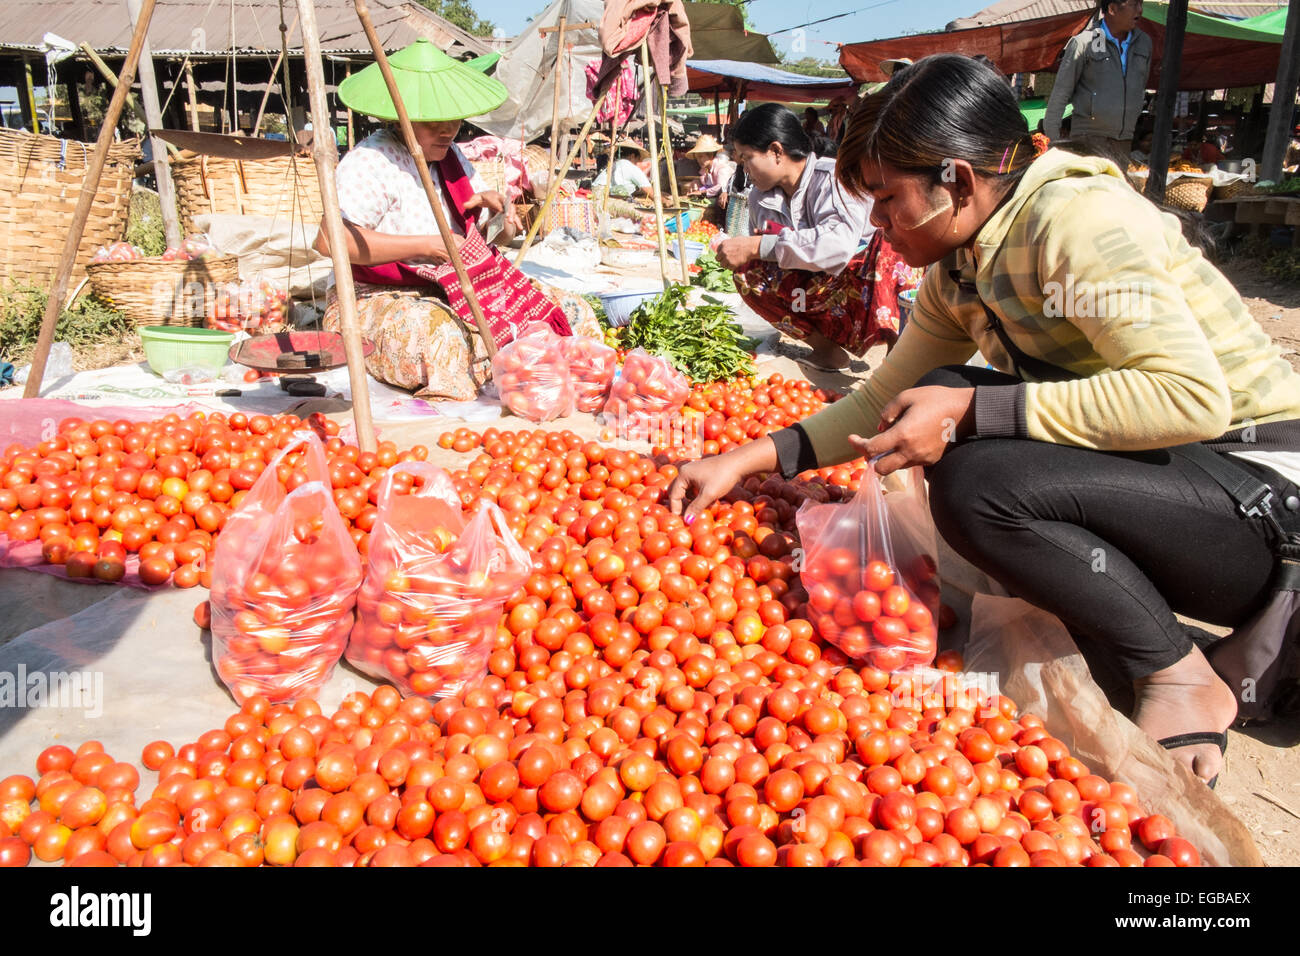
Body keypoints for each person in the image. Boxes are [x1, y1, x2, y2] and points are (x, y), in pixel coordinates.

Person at [669, 54, 1300, 788]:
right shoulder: (960, 270)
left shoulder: (1078, 223)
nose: (876, 224)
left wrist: (976, 407)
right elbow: (882, 401)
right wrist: (748, 459)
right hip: (1182, 485)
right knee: (939, 398)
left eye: (886, 199)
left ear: (957, 183)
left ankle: (1182, 673)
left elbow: (1190, 398)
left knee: (978, 476)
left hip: (1261, 493)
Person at [315, 39, 600, 400]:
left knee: (570, 310)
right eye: (434, 120)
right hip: (375, 296)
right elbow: (329, 240)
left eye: (452, 118)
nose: (447, 129)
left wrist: (497, 218)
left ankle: (560, 382)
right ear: (402, 115)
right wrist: (426, 246)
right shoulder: (370, 161)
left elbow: (480, 246)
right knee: (444, 337)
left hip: (453, 285)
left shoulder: (452, 159)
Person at [715, 103, 922, 370]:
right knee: (749, 273)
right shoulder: (759, 198)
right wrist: (751, 250)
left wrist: (761, 244)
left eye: (746, 158)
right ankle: (827, 351)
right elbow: (774, 252)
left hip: (864, 275)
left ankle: (898, 360)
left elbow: (838, 245)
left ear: (776, 151)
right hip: (820, 280)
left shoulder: (833, 178)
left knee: (889, 245)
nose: (744, 170)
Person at [1044, 0, 1152, 172]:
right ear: (1112, 8)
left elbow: (1140, 88)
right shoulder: (1083, 43)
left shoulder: (1144, 44)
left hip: (1123, 143)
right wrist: (1053, 145)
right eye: (1133, 4)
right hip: (1088, 141)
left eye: (1141, 3)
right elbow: (1059, 95)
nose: (1140, 10)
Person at [685, 134, 736, 211]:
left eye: (701, 156)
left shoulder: (721, 169)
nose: (698, 160)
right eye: (697, 157)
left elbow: (720, 187)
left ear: (711, 155)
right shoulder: (705, 170)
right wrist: (697, 182)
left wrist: (702, 192)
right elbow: (707, 185)